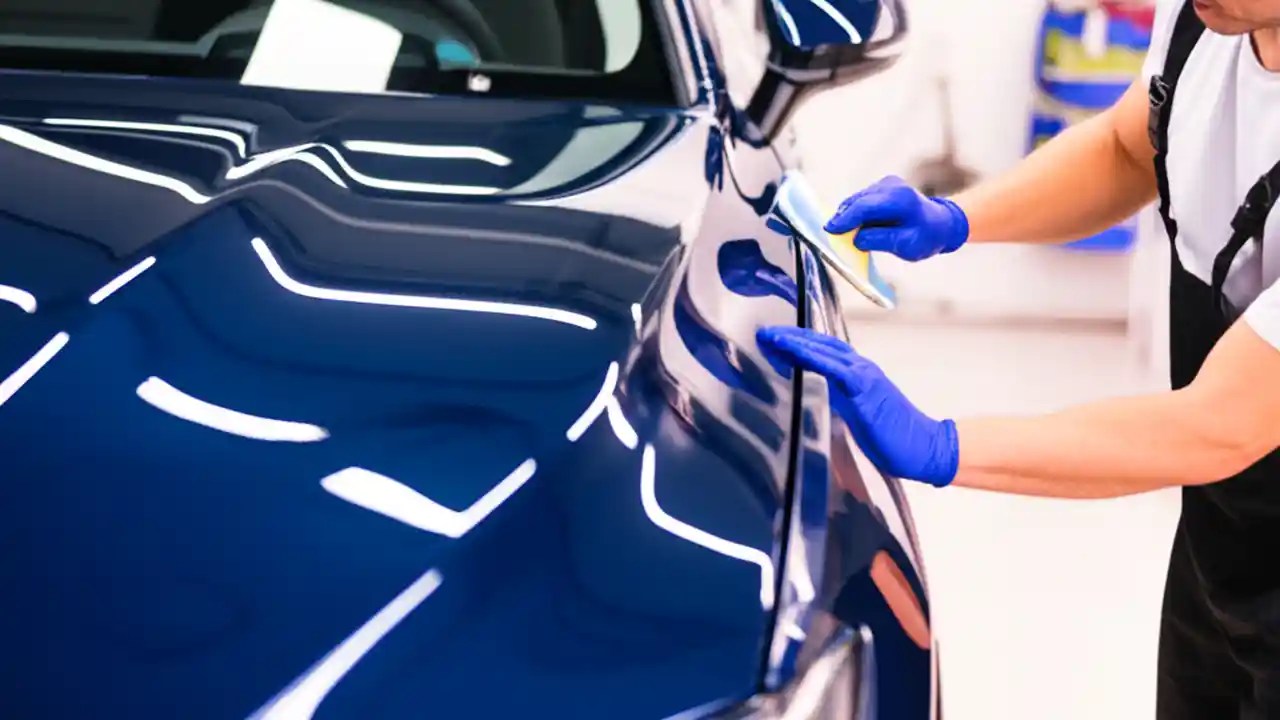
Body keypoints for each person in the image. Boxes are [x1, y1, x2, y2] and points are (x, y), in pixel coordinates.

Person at [757, 0, 1280, 717]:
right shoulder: (1207, 23)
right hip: (1219, 549)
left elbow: (1219, 425)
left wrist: (942, 446)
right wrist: (955, 219)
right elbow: (1129, 149)